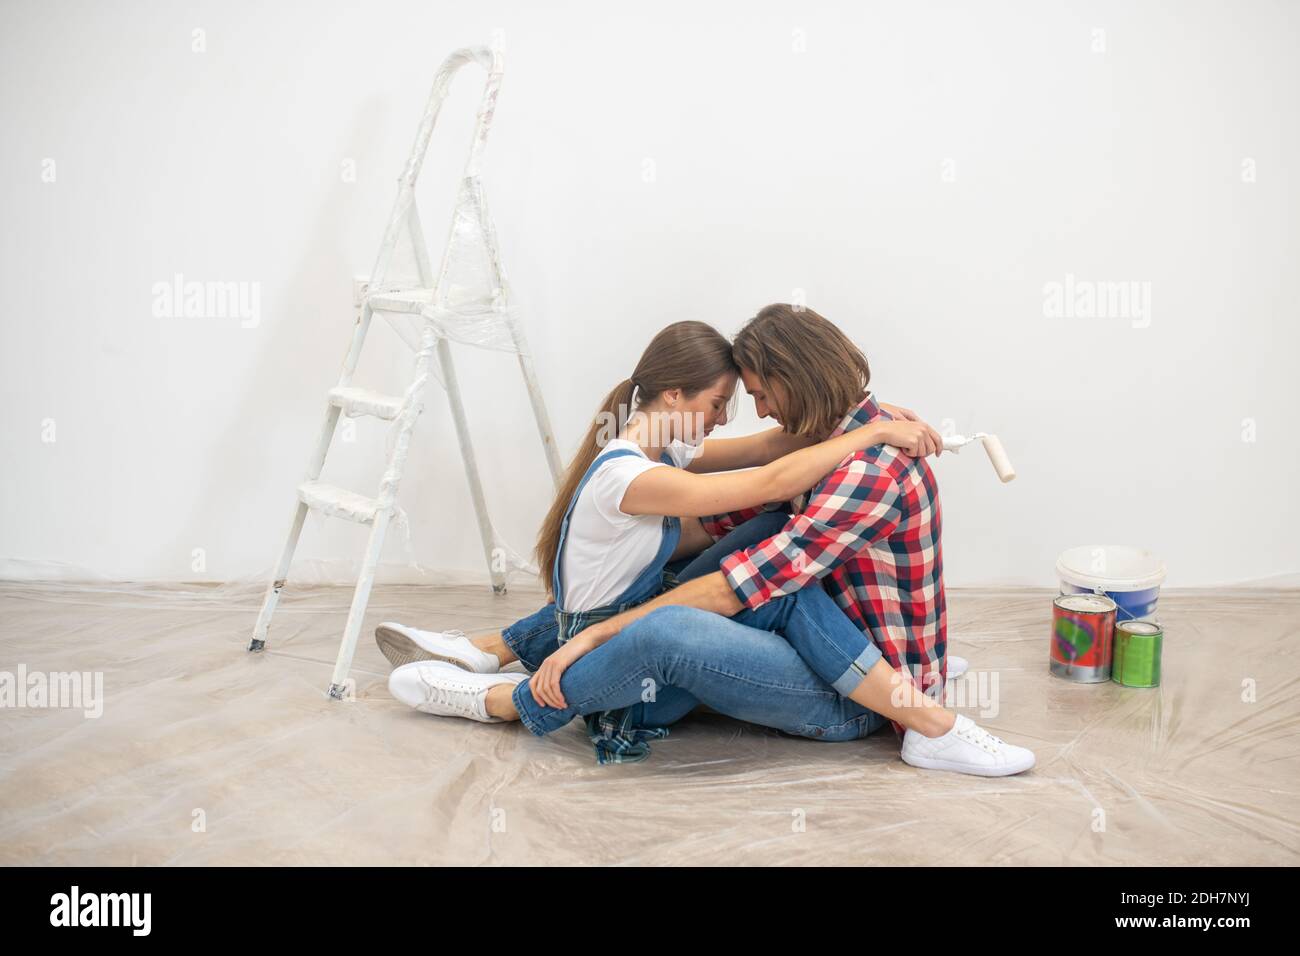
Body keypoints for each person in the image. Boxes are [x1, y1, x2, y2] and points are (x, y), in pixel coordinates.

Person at [381, 313, 1036, 776]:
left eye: (753, 396)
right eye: (726, 401)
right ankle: (495, 650)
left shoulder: (863, 467)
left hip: (857, 697)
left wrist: (591, 637)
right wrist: (874, 424)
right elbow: (761, 486)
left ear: (794, 378)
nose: (747, 413)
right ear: (675, 396)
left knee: (688, 614)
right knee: (755, 553)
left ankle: (499, 695)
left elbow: (750, 527)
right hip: (838, 647)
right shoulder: (648, 467)